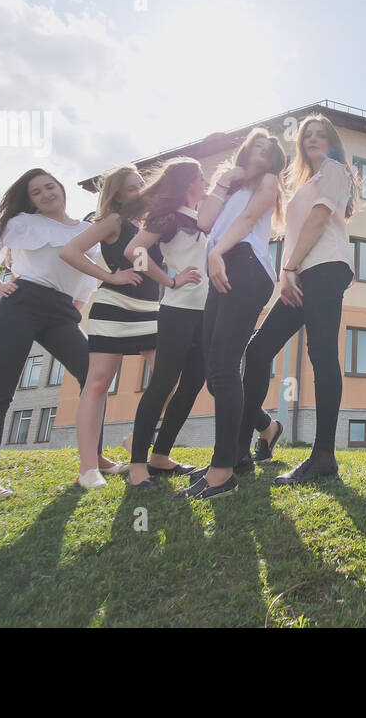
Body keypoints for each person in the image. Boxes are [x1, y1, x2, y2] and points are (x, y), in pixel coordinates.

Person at [0, 168, 103, 499]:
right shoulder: (21, 224)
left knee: (94, 376)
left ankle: (93, 459)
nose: (46, 194)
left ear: (61, 187)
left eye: (49, 187)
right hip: (22, 304)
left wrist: (75, 307)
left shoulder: (87, 230)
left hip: (61, 312)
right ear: (29, 200)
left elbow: (89, 276)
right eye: (36, 192)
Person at [240, 115, 358, 486]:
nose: (313, 139)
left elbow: (320, 219)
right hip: (299, 273)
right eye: (307, 135)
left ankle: (323, 455)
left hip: (323, 269)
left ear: (332, 142)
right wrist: (289, 271)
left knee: (322, 354)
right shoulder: (304, 181)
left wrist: (288, 267)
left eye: (321, 135)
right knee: (258, 351)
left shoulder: (336, 171)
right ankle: (242, 447)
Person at [178, 129, 286, 499]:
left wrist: (215, 254)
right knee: (215, 372)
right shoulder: (230, 184)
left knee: (223, 368)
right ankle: (262, 430)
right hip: (222, 267)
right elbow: (205, 221)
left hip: (246, 266)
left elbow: (247, 220)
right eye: (256, 144)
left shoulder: (269, 181)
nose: (262, 149)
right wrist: (224, 179)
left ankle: (222, 472)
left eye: (268, 147)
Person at [59, 166, 161, 487]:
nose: (140, 191)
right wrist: (111, 276)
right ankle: (89, 468)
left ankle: (136, 441)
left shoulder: (151, 224)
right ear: (117, 195)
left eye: (141, 185)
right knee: (99, 383)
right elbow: (69, 251)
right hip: (114, 307)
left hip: (150, 309)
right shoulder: (113, 221)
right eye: (132, 188)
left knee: (170, 380)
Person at [120, 158, 211, 490]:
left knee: (192, 384)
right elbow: (134, 250)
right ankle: (137, 466)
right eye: (203, 177)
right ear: (189, 182)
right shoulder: (169, 217)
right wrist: (170, 280)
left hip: (206, 313)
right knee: (162, 384)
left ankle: (161, 456)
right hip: (177, 311)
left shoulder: (203, 219)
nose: (207, 182)